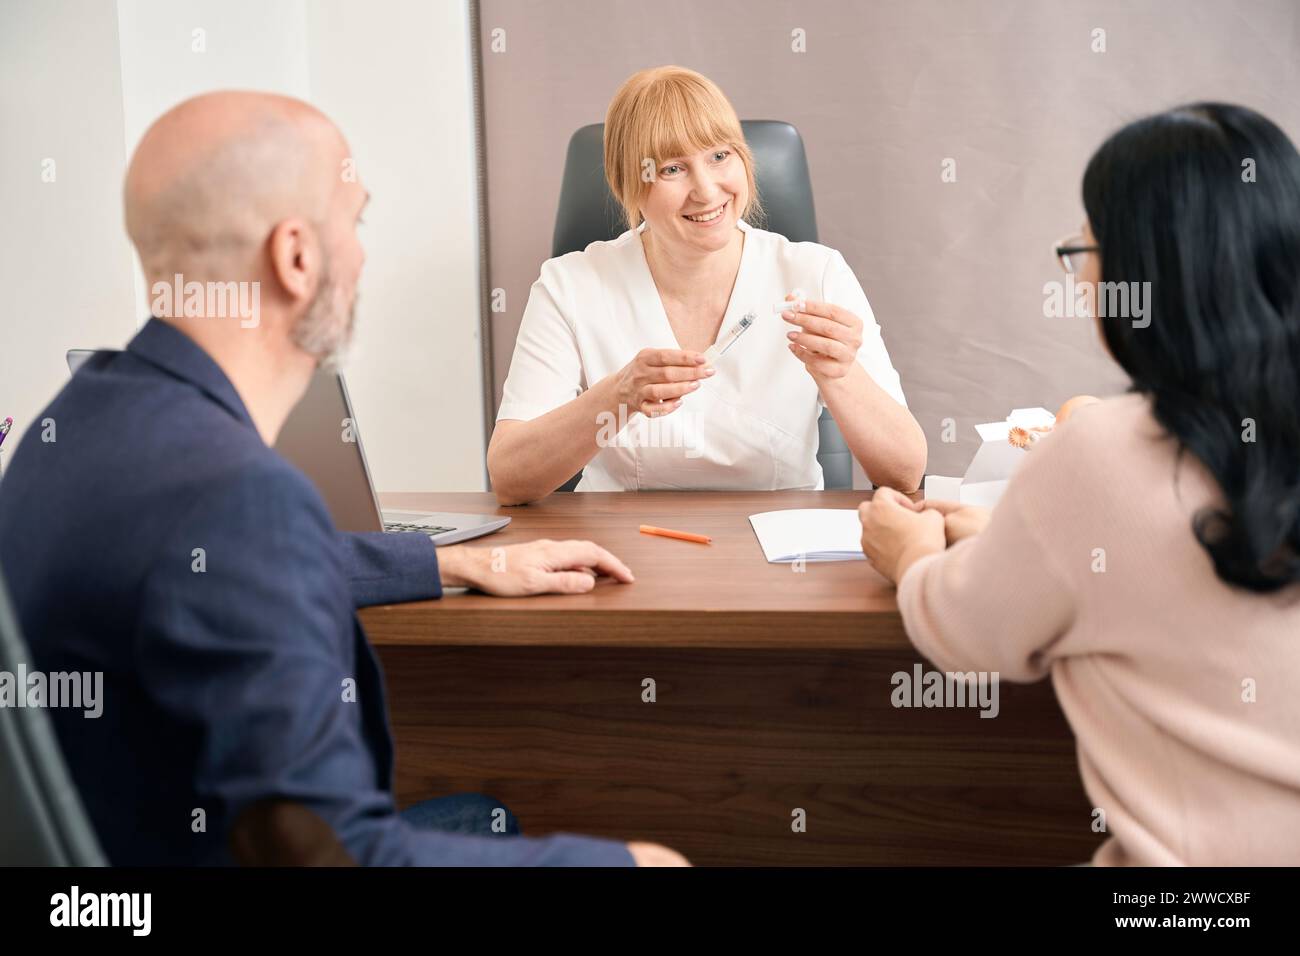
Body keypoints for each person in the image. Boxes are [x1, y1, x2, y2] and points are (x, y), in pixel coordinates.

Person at [0, 91, 686, 866]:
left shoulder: (74, 424)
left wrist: (448, 560)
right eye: (353, 223)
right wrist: (630, 865)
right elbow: (338, 858)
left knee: (485, 814)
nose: (360, 256)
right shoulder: (238, 495)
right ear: (296, 257)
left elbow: (209, 568)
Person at [858, 103, 1300, 865]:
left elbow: (969, 633)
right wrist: (1004, 537)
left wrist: (910, 555)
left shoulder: (1104, 449)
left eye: (1089, 248)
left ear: (1143, 274)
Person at [487, 66, 926, 503]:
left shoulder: (817, 273)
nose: (706, 190)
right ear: (629, 185)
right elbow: (510, 478)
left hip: (782, 546)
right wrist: (616, 395)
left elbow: (905, 473)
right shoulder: (570, 285)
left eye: (720, 156)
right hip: (622, 548)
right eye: (673, 169)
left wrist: (842, 374)